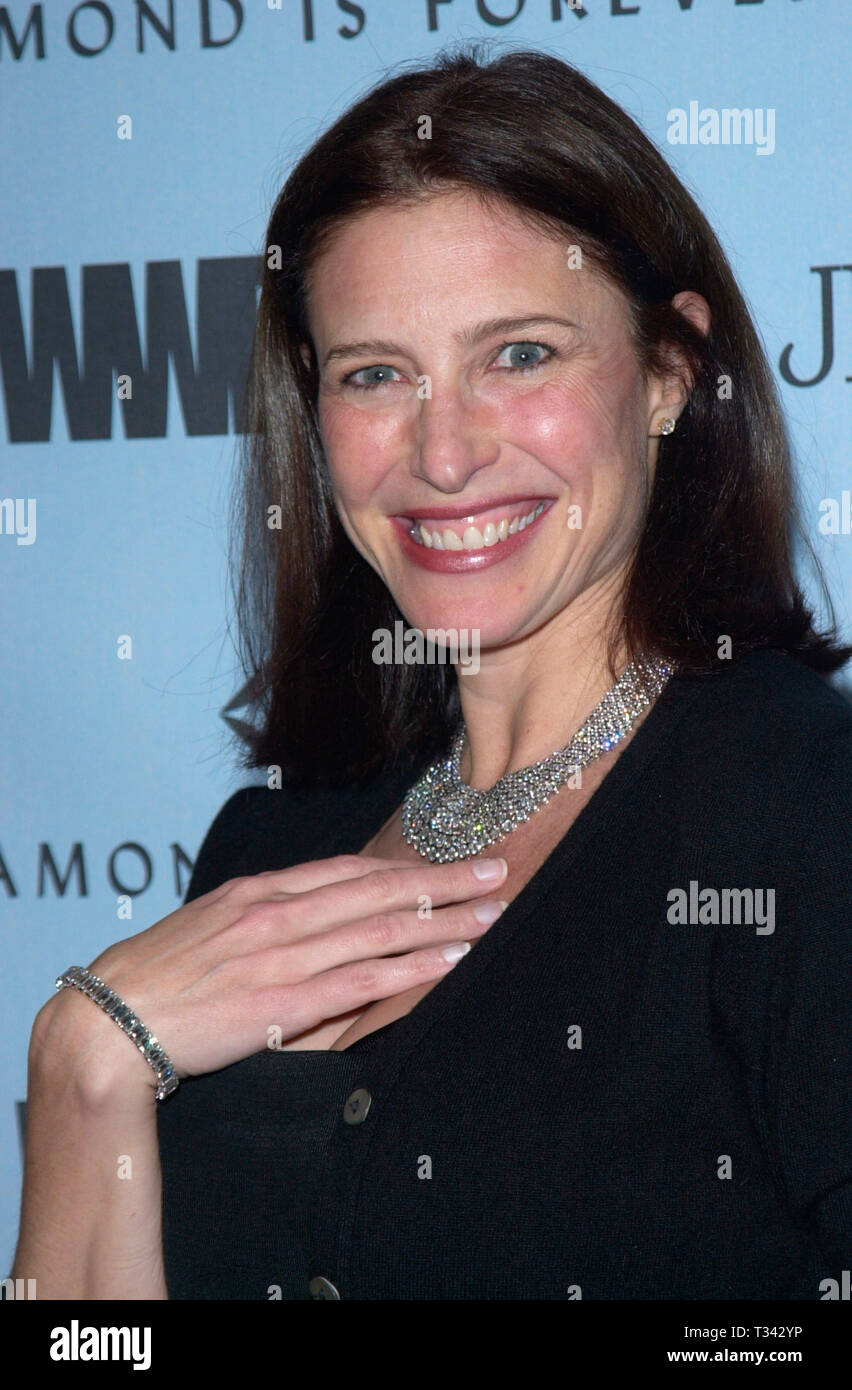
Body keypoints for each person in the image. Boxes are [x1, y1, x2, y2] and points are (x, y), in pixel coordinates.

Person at [12, 45, 852, 1301]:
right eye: (375, 374)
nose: (444, 453)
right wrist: (82, 1064)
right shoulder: (270, 845)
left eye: (519, 354)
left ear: (671, 371)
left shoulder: (805, 812)